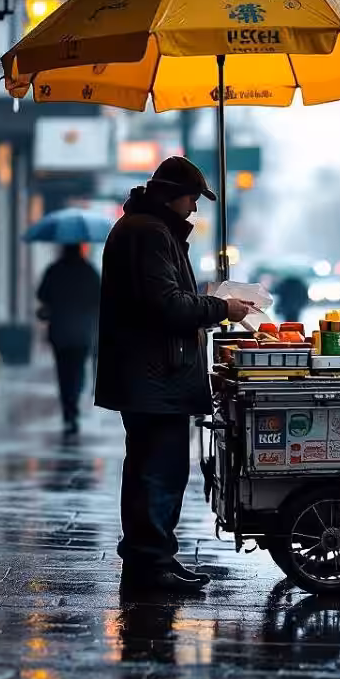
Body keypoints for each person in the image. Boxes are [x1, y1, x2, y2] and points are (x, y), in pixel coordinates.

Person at [95, 156, 254, 594]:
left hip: (152, 376)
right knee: (157, 473)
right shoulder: (148, 233)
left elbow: (164, 297)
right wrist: (222, 308)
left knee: (154, 470)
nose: (195, 208)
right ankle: (150, 565)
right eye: (192, 198)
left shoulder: (151, 230)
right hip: (154, 377)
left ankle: (155, 558)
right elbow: (165, 305)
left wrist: (207, 300)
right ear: (172, 196)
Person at [37, 243, 101, 434]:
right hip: (82, 333)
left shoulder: (54, 270)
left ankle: (68, 408)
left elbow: (42, 294)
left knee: (63, 372)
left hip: (60, 332)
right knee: (78, 371)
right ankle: (73, 405)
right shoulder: (89, 271)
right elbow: (99, 297)